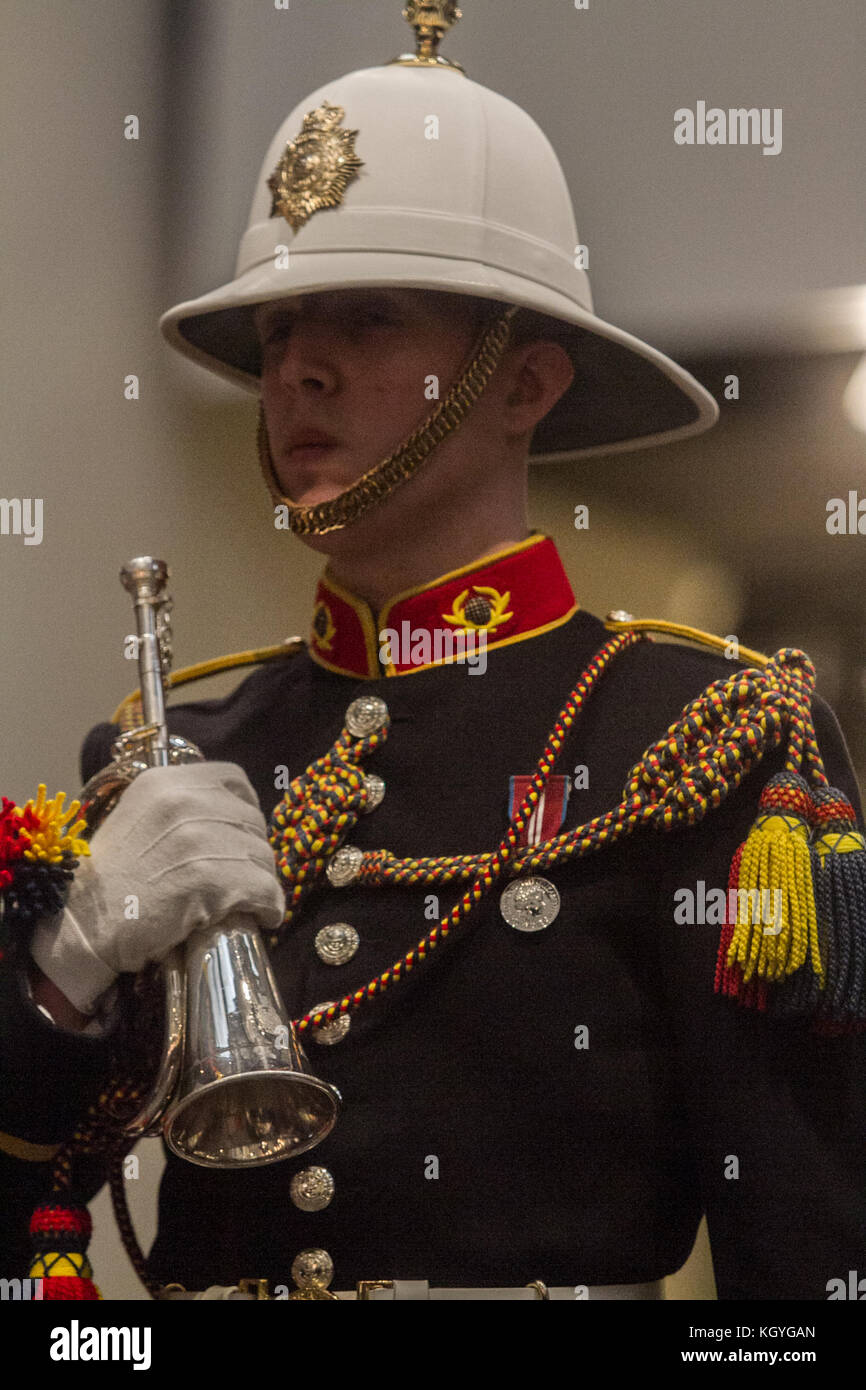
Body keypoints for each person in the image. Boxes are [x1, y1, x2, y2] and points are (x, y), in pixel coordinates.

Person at [1, 3, 863, 1302]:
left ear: (523, 384)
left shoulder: (697, 733)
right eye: (277, 333)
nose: (299, 369)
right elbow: (38, 1210)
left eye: (367, 317)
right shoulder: (178, 748)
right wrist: (67, 972)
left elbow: (804, 1251)